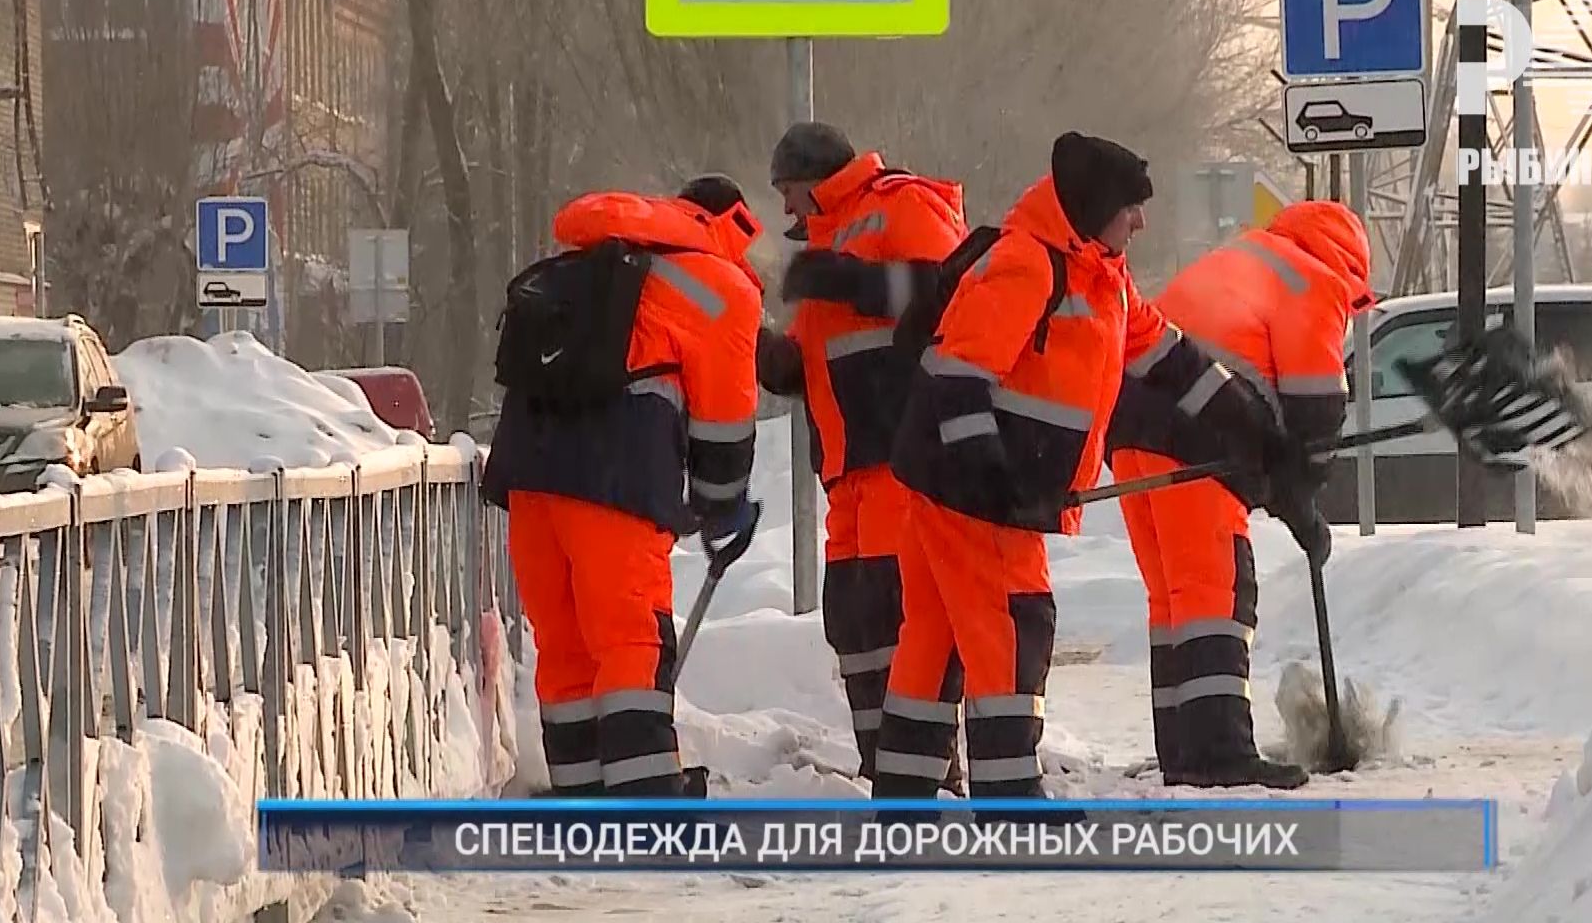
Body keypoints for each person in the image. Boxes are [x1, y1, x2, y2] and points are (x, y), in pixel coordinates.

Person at [871, 132, 1279, 799]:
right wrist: (993, 480)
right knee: (1015, 627)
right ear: (1092, 209)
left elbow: (1173, 362)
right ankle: (1011, 805)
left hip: (958, 485)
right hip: (974, 493)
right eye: (1130, 207)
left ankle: (903, 801)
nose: (1141, 221)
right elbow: (956, 377)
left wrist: (1254, 428)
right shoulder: (1027, 265)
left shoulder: (1103, 278)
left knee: (937, 641)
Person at [482, 175, 765, 798]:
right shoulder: (719, 286)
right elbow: (724, 423)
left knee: (566, 650)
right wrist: (722, 508)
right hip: (613, 483)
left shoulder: (595, 261)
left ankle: (583, 809)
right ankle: (645, 813)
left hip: (528, 478)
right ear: (732, 227)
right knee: (631, 645)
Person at [1105, 199, 1378, 790]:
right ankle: (1219, 753)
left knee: (1176, 601)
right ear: (1351, 267)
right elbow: (1315, 406)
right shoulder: (1316, 277)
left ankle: (1182, 749)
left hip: (1128, 426)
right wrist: (1305, 501)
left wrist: (1292, 497)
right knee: (1218, 593)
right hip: (1199, 433)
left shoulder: (1248, 255)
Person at [755, 122, 970, 785]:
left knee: (902, 616)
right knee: (858, 622)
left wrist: (848, 281)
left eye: (788, 190)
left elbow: (953, 291)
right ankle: (888, 767)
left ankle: (928, 770)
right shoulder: (826, 242)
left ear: (814, 178)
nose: (785, 206)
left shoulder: (900, 204)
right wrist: (755, 345)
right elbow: (805, 363)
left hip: (900, 456)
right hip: (848, 470)